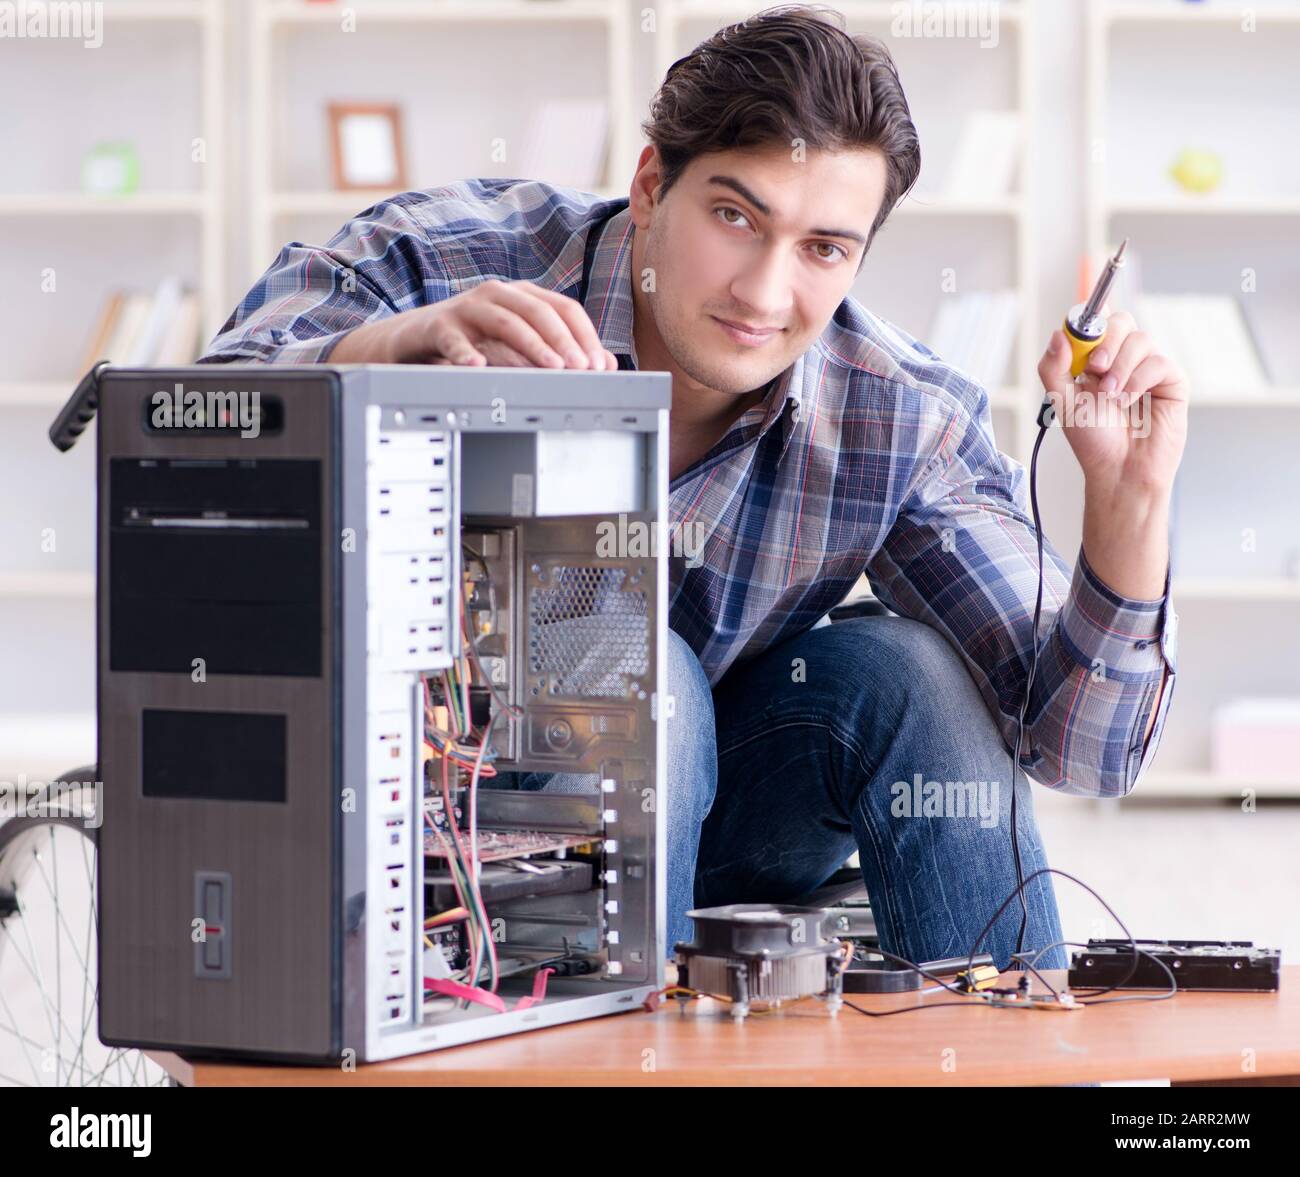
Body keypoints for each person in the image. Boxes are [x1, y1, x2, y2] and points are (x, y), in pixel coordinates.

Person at [198, 5, 1184, 970]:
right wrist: (381, 356)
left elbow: (1083, 758)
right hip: (428, 829)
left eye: (821, 249)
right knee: (645, 677)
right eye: (732, 215)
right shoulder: (456, 258)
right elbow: (184, 427)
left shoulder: (899, 417)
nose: (763, 292)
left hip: (711, 834)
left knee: (904, 675)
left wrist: (1128, 511)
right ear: (647, 183)